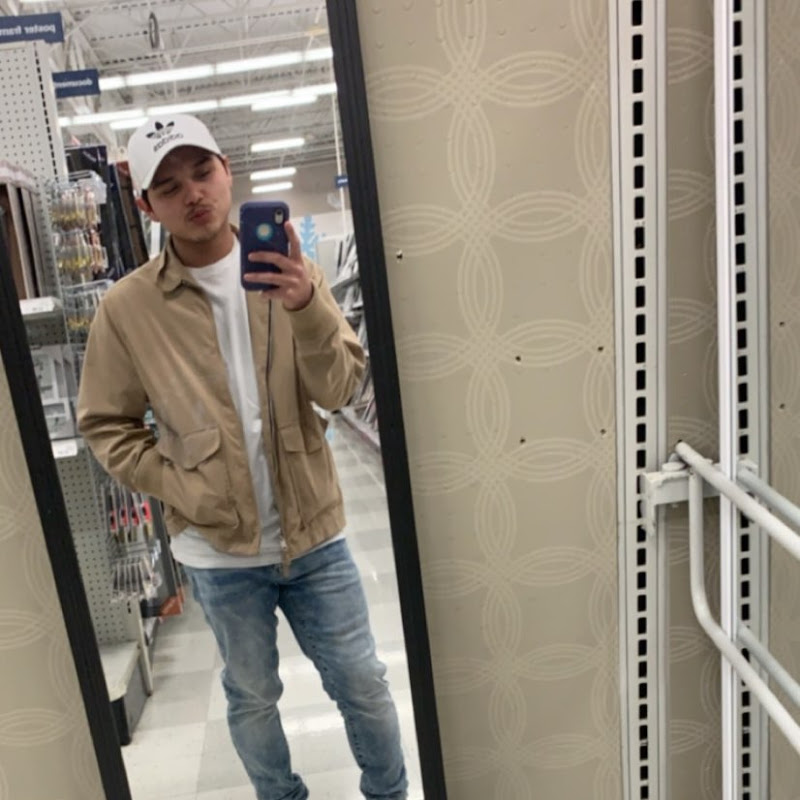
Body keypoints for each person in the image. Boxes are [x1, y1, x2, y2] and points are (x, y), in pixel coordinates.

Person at [77, 114, 408, 800]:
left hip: (315, 535)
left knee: (364, 681)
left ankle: (389, 793)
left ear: (227, 171)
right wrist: (179, 485)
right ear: (147, 207)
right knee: (253, 697)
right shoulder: (127, 309)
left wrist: (307, 305)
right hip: (217, 550)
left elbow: (342, 387)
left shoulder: (295, 272)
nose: (193, 194)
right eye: (169, 187)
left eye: (202, 172)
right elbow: (106, 425)